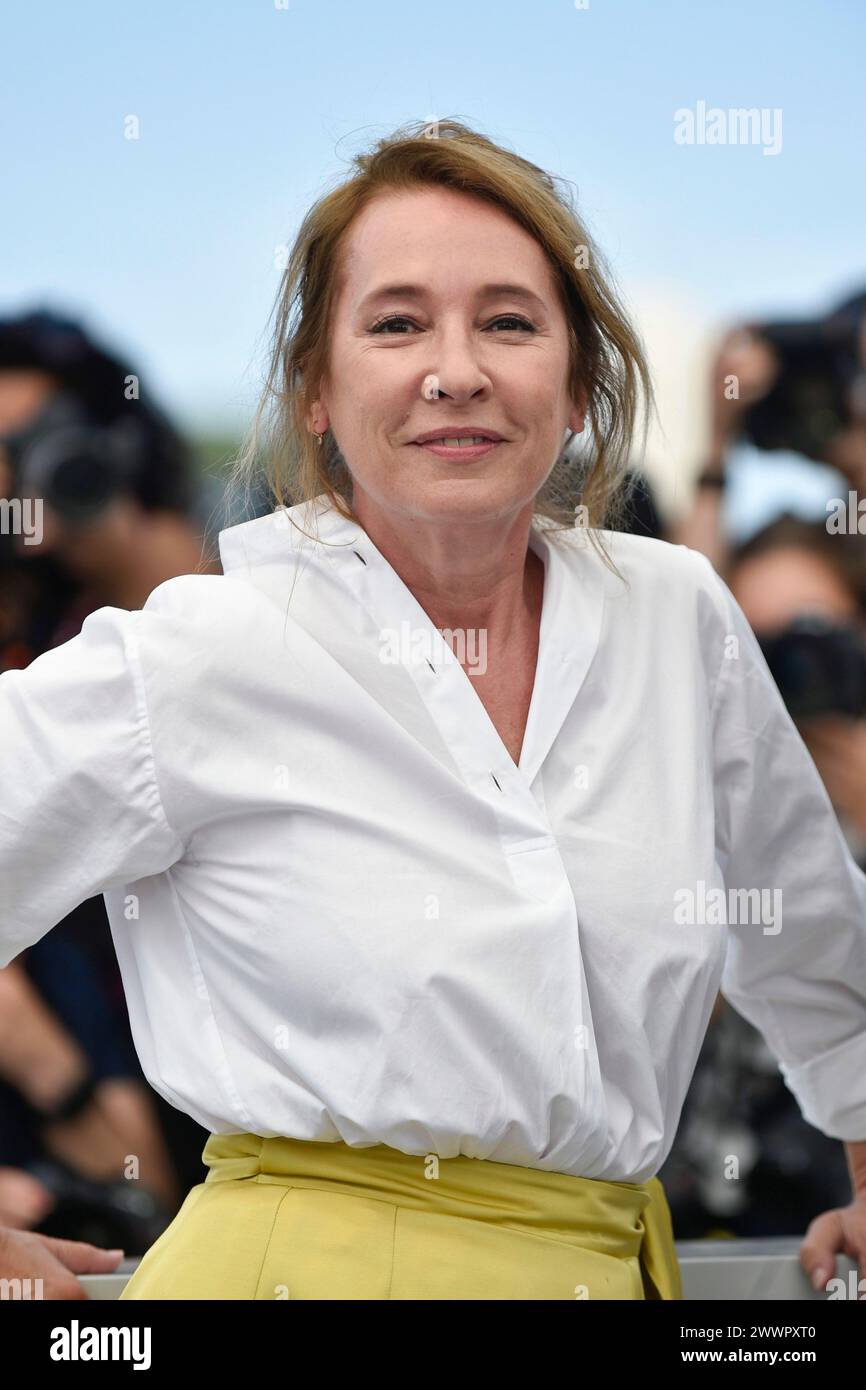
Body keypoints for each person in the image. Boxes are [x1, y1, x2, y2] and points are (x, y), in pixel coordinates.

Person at [2, 117, 866, 1301]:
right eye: (396, 321)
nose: (453, 368)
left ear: (575, 387)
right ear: (314, 388)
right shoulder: (206, 648)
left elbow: (813, 930)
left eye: (507, 322)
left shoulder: (675, 616)